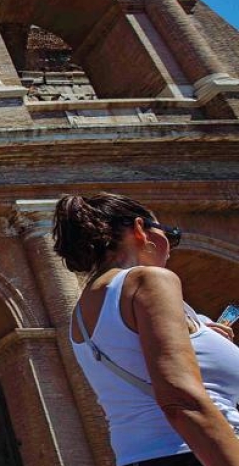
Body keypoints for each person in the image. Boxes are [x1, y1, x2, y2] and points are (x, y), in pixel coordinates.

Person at [53, 194, 239, 466]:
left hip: (137, 456)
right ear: (140, 229)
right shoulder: (147, 280)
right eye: (169, 234)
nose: (171, 246)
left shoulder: (80, 314)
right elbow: (180, 397)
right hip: (198, 451)